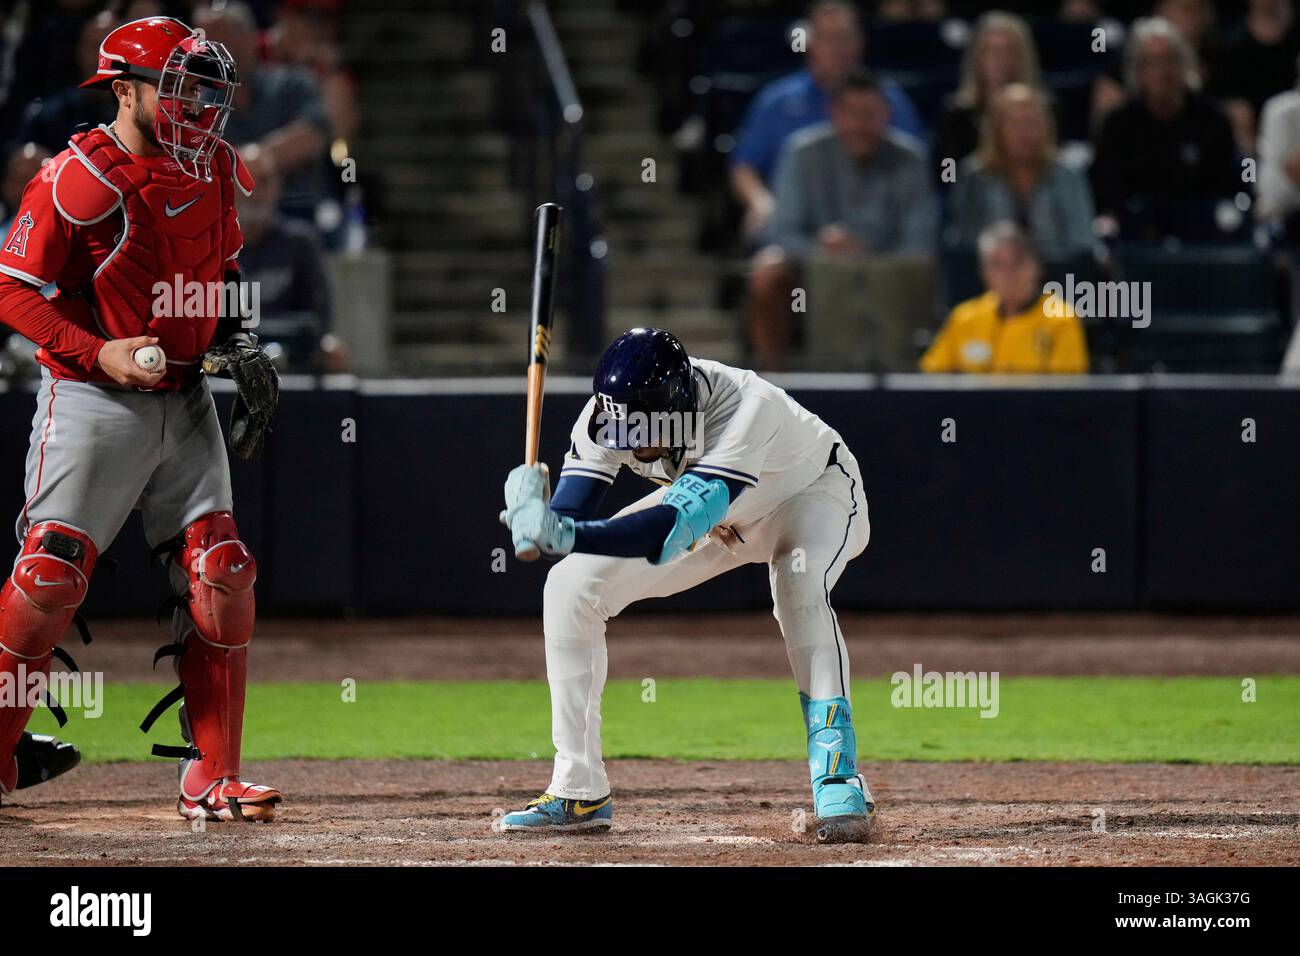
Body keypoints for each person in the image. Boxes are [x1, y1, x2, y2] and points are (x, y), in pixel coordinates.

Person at [0, 16, 282, 822]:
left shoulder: (216, 168)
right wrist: (96, 351)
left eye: (207, 95)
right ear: (124, 89)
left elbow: (217, 268)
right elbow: (12, 286)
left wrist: (237, 343)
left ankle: (214, 775)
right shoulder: (77, 175)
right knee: (49, 572)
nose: (201, 112)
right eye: (184, 92)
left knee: (222, 569)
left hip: (184, 394)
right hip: (91, 395)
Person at [497, 328, 875, 843]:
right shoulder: (607, 416)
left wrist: (563, 532)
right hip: (713, 515)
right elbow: (566, 525)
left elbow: (666, 532)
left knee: (798, 581)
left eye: (640, 431)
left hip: (811, 496)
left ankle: (838, 776)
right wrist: (533, 516)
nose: (627, 440)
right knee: (568, 585)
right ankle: (578, 788)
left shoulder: (746, 408)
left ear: (677, 411)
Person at [747, 69, 936, 369]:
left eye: (869, 113)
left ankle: (913, 378)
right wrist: (823, 248)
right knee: (767, 271)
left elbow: (920, 241)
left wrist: (865, 252)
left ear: (886, 114)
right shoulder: (801, 152)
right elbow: (781, 231)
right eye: (851, 113)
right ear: (832, 113)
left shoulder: (911, 159)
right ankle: (774, 384)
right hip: (814, 268)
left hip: (889, 270)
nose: (860, 124)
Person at [729, 1, 923, 242]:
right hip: (796, 220)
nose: (836, 48)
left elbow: (915, 168)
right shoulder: (777, 101)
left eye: (844, 37)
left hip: (878, 226)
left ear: (860, 43)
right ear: (808, 43)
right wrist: (761, 202)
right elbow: (744, 166)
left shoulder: (890, 100)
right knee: (769, 267)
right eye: (827, 38)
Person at [1091, 17, 1238, 233]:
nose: (1163, 72)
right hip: (1137, 234)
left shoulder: (1212, 119)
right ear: (1138, 72)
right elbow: (1105, 190)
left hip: (1201, 233)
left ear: (1185, 65)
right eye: (1152, 63)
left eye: (1170, 60)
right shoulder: (1118, 124)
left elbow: (1229, 185)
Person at [193, 1, 332, 221]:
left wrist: (260, 159)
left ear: (251, 37)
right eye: (207, 43)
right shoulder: (199, 105)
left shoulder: (292, 84)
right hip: (229, 217)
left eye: (226, 39)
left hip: (296, 211)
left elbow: (314, 134)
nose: (216, 52)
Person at [946, 83, 1095, 259]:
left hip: (1057, 281)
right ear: (996, 130)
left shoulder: (1068, 175)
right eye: (1015, 124)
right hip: (990, 280)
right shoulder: (973, 177)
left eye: (1032, 123)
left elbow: (1082, 244)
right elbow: (964, 246)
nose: (1025, 133)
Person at [921, 221, 1087, 374]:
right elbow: (932, 378)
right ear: (984, 273)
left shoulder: (1062, 320)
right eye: (997, 264)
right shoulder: (964, 319)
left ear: (1037, 268)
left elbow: (1066, 397)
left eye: (1018, 262)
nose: (1009, 274)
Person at [937, 11, 1044, 170]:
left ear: (1021, 58)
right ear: (977, 58)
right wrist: (957, 190)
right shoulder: (956, 115)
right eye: (991, 51)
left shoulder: (1043, 110)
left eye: (1008, 51)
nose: (999, 60)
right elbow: (947, 169)